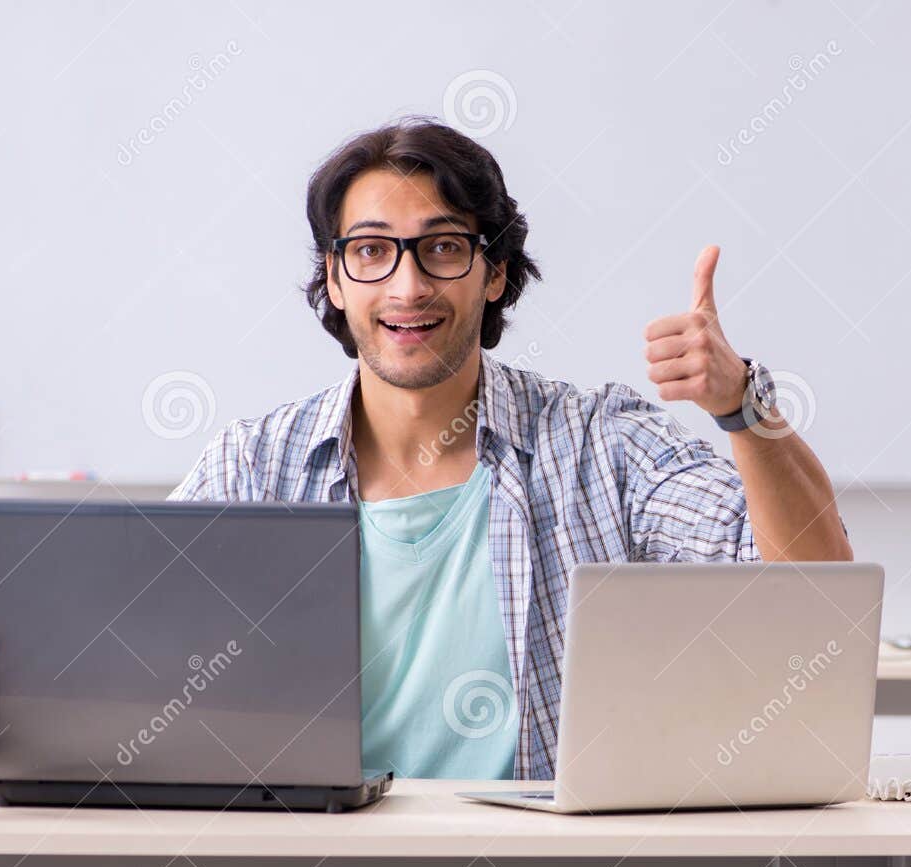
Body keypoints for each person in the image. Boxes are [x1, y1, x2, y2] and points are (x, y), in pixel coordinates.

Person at [169, 117, 852, 781]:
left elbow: (813, 593)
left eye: (442, 248)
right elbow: (139, 670)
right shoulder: (252, 468)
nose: (408, 287)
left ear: (494, 272)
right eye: (372, 252)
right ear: (337, 279)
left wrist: (741, 406)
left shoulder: (599, 445)